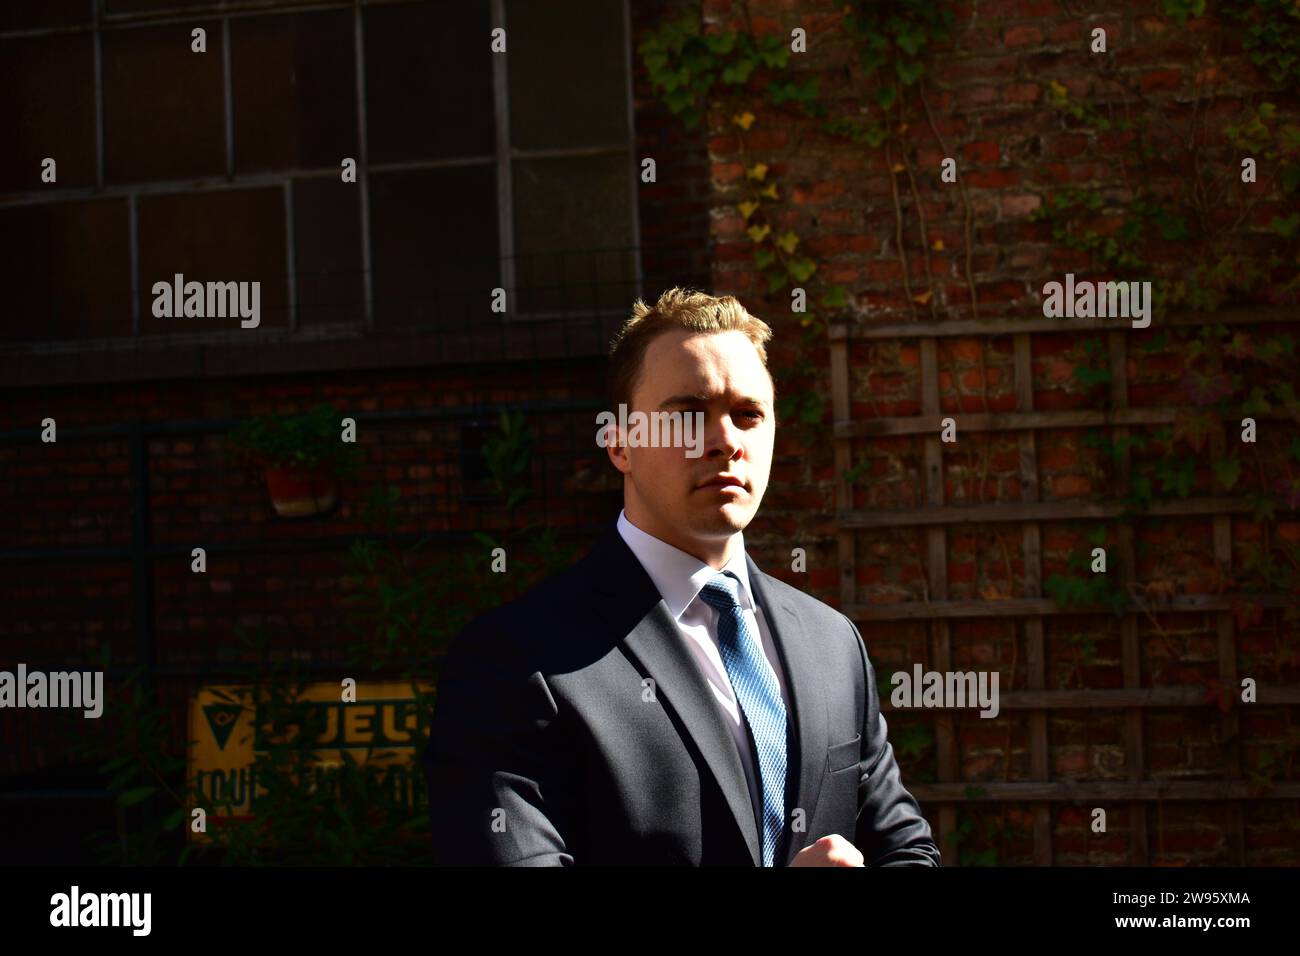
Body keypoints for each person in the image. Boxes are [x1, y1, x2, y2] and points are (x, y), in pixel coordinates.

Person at [421, 287, 940, 867]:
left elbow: (905, 848)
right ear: (619, 443)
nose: (724, 441)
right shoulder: (513, 661)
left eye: (748, 414)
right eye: (687, 415)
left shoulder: (831, 642)